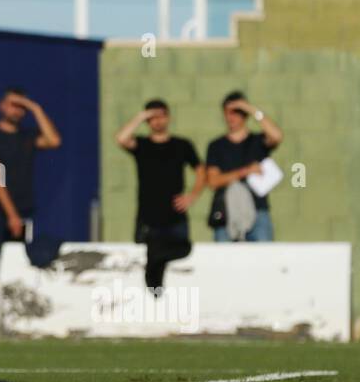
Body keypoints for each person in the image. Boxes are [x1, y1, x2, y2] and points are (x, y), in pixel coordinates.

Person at [0, 88, 61, 335]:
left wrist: (34, 106)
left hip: (25, 213)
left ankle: (19, 323)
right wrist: (11, 214)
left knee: (24, 267)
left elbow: (54, 140)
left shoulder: (26, 136)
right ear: (1, 106)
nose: (17, 110)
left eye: (20, 106)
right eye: (13, 104)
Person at [115, 100, 206, 290]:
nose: (157, 121)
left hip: (175, 215)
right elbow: (121, 138)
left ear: (168, 117)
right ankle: (154, 293)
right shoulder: (142, 145)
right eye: (152, 117)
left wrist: (193, 195)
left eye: (161, 116)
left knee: (181, 250)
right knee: (153, 263)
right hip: (148, 217)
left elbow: (200, 170)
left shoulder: (182, 145)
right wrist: (141, 116)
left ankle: (158, 286)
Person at [206, 92, 283, 242]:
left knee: (264, 260)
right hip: (227, 213)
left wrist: (251, 109)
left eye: (236, 112)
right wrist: (246, 171)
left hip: (258, 211)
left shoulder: (258, 141)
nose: (231, 117)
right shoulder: (216, 146)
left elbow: (277, 136)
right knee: (224, 262)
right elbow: (214, 181)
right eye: (227, 112)